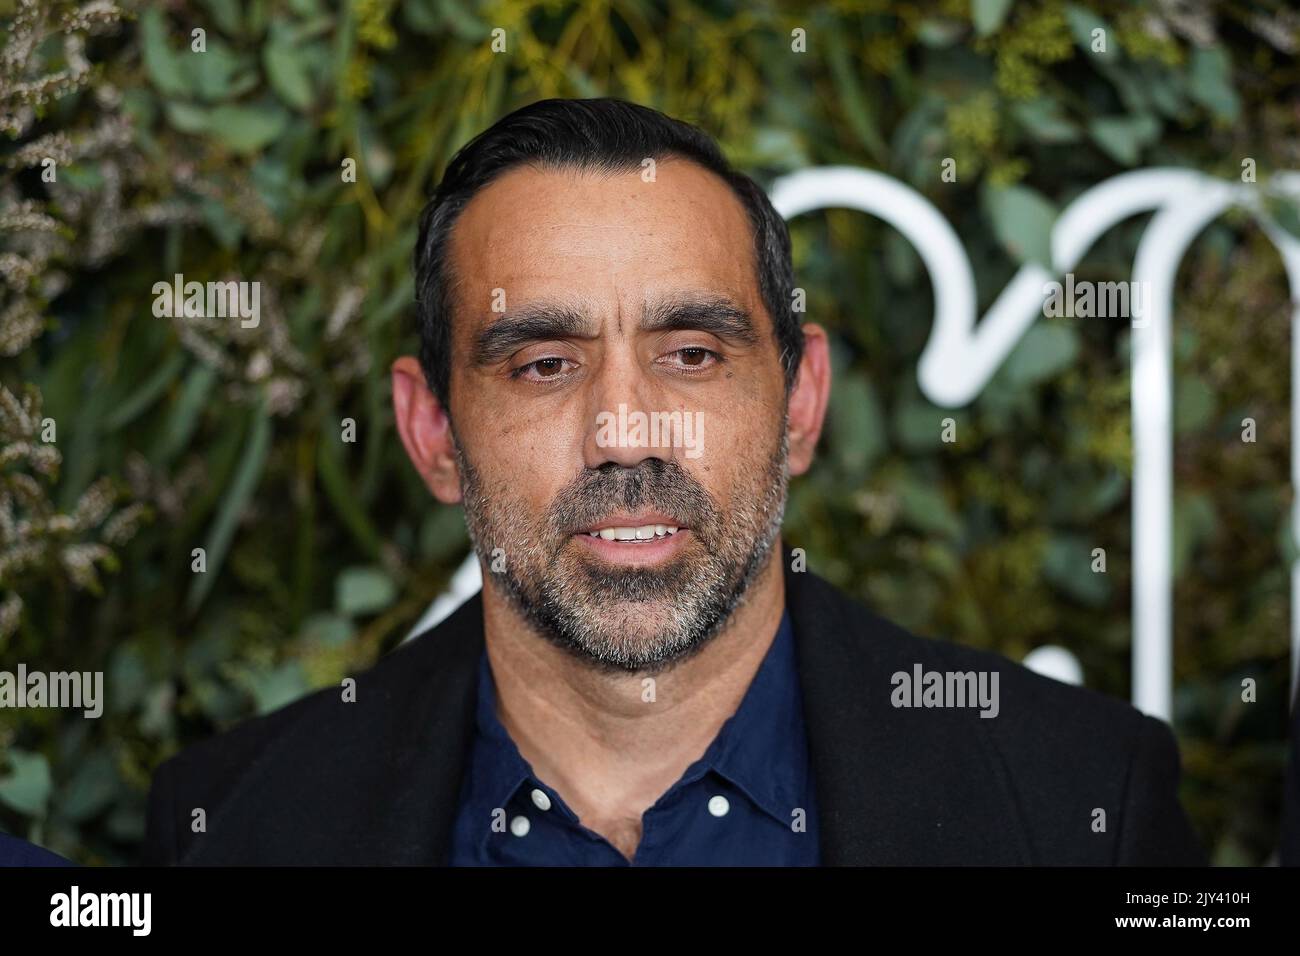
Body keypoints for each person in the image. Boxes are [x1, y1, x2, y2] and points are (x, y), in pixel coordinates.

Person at [143, 98, 1204, 866]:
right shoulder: (230, 823)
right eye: (543, 363)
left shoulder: (1082, 804)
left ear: (798, 401)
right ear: (433, 431)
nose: (623, 429)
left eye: (692, 353)